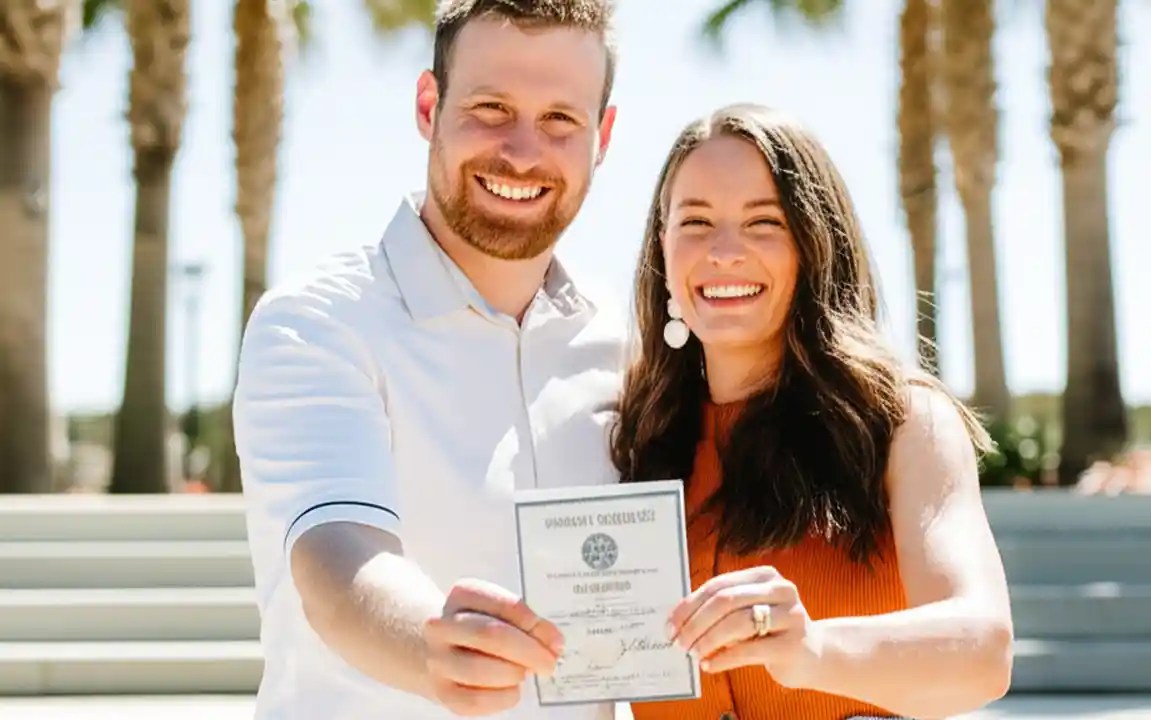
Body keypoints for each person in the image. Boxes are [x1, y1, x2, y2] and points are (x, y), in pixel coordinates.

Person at [232, 1, 625, 718]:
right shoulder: (317, 323)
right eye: (491, 107)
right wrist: (432, 644)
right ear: (428, 104)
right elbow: (335, 554)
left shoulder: (629, 348)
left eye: (560, 120)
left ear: (601, 136)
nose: (522, 150)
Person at [611, 104, 1015, 720]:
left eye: (763, 222)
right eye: (695, 221)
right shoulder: (630, 440)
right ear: (661, 250)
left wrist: (811, 648)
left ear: (814, 247)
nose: (724, 251)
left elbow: (984, 650)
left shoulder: (902, 423)